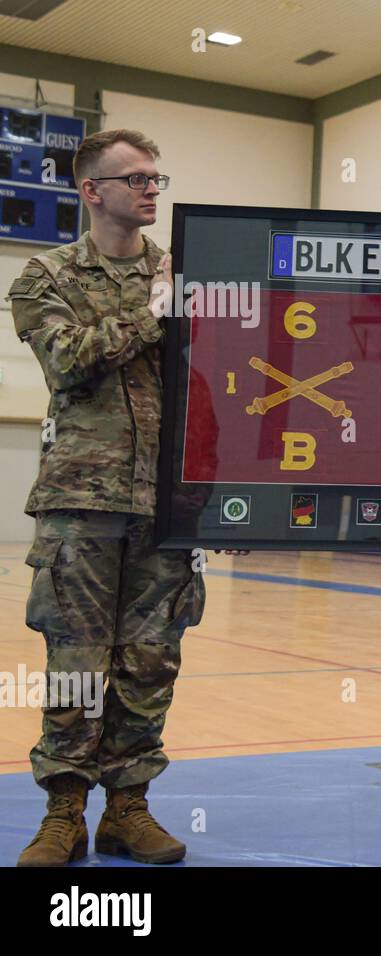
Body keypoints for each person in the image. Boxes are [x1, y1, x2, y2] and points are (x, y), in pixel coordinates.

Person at [7, 128, 197, 866]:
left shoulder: (190, 273)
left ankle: (128, 809)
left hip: (166, 507)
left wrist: (226, 494)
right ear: (93, 191)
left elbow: (220, 391)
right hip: (81, 504)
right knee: (78, 662)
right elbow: (68, 359)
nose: (152, 188)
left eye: (157, 177)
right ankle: (63, 813)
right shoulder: (46, 275)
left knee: (151, 661)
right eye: (136, 178)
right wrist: (158, 309)